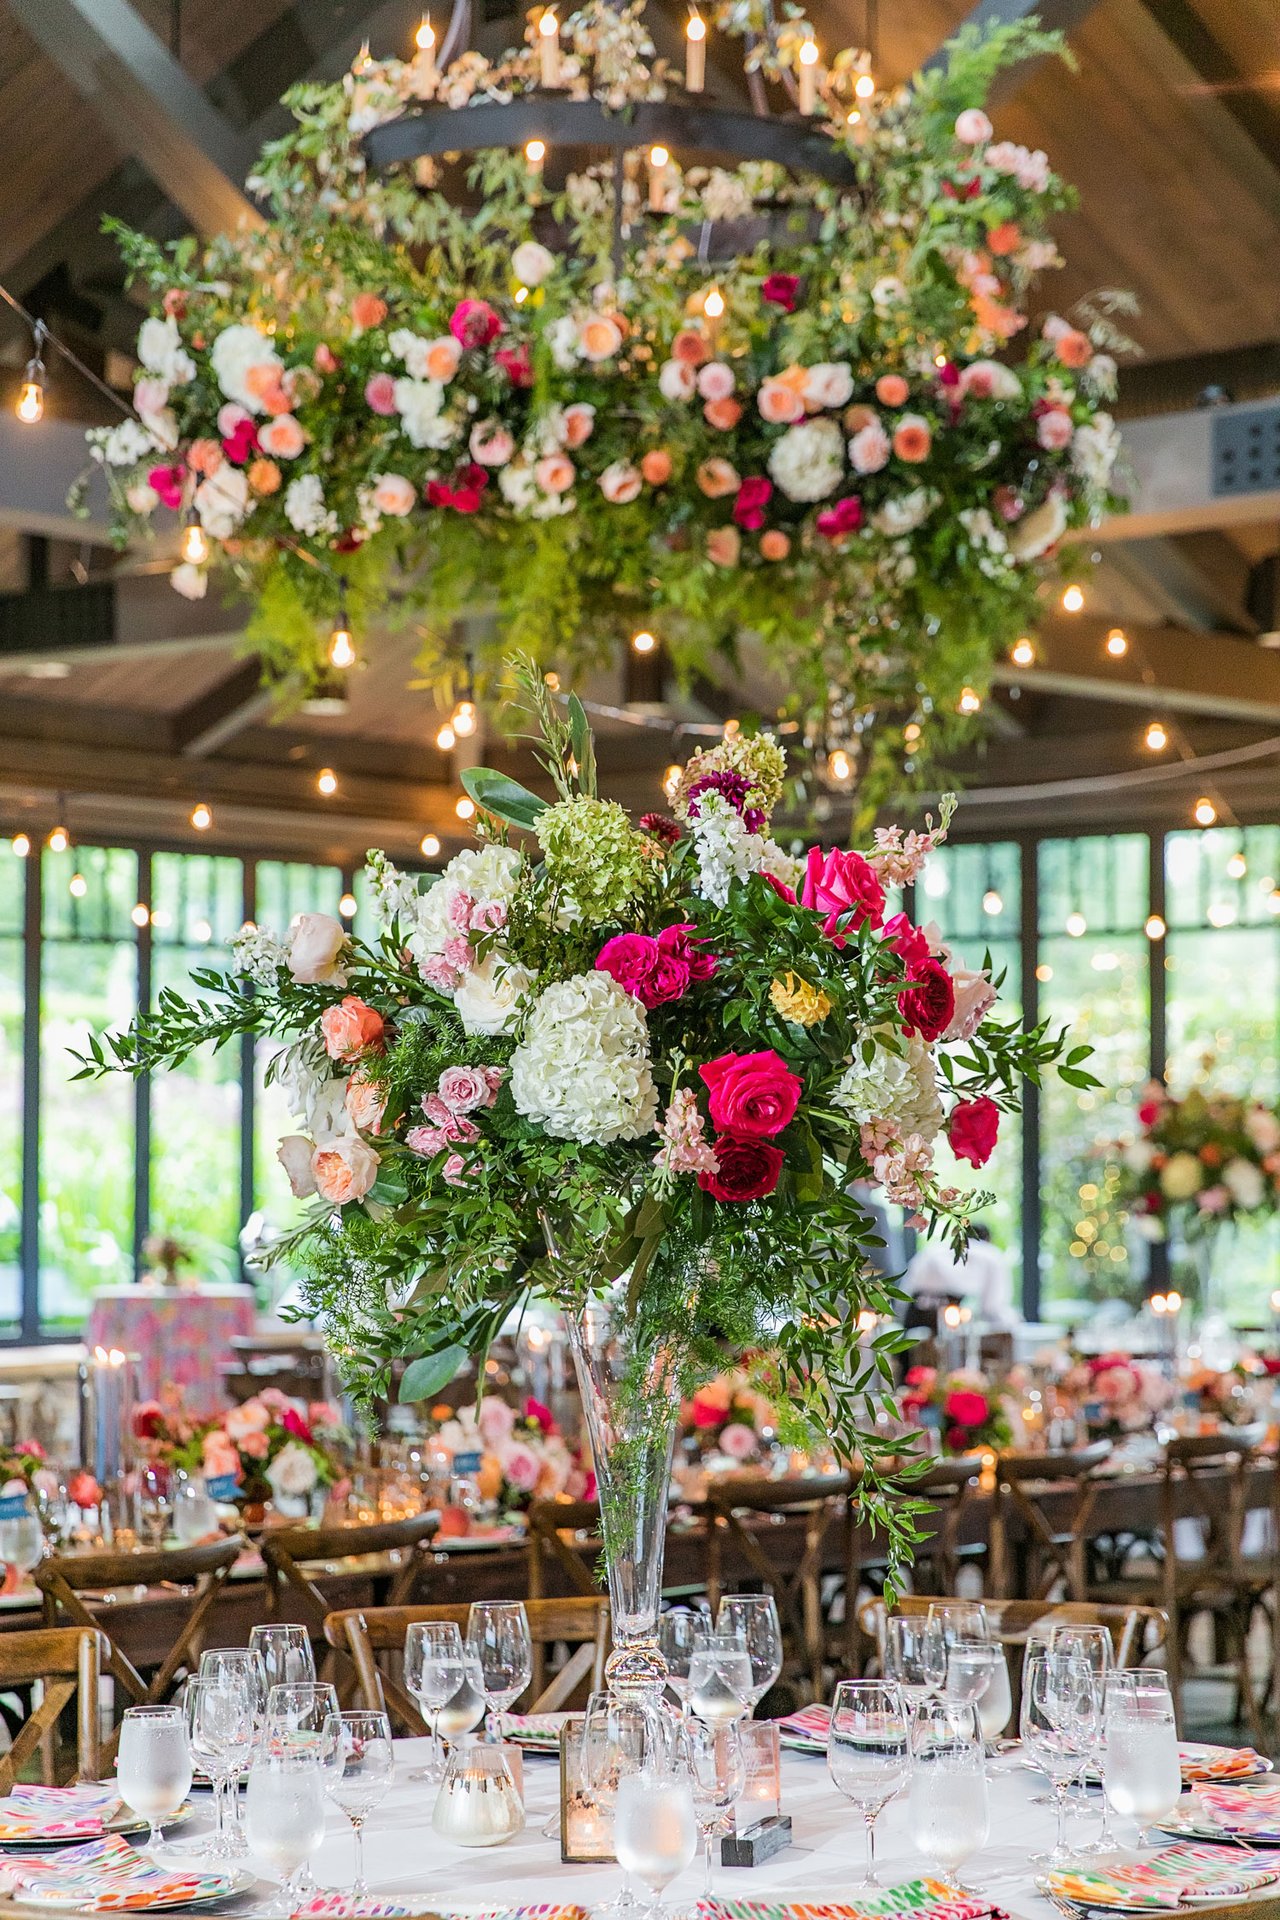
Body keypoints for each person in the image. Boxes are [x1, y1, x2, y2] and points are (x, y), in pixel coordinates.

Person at [900, 1224, 1019, 1331]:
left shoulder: (933, 1250)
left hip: (917, 1314)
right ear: (988, 1239)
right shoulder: (991, 1254)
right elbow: (993, 1306)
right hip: (958, 1318)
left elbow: (905, 1291)